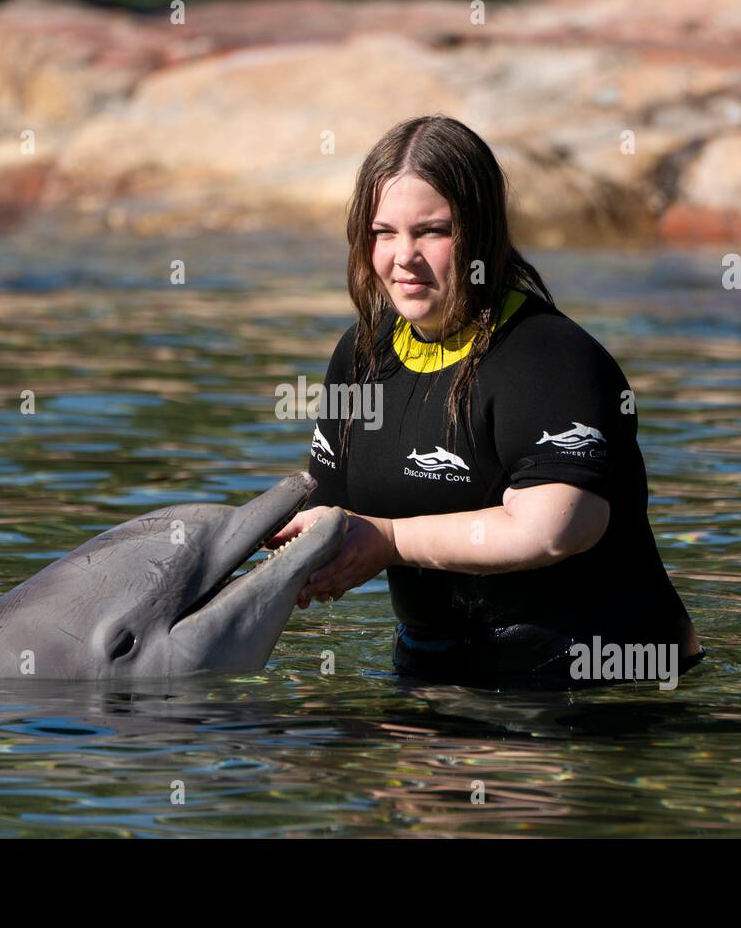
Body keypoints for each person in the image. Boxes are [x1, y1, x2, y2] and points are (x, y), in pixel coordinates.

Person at [265, 115, 703, 690]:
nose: (404, 257)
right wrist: (272, 562)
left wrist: (391, 541)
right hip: (435, 672)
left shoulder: (546, 355)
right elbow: (335, 510)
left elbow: (559, 528)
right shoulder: (364, 355)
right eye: (384, 232)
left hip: (594, 683)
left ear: (482, 232)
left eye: (433, 231)